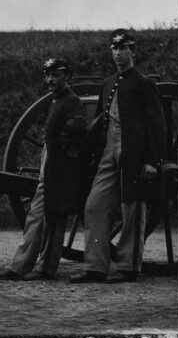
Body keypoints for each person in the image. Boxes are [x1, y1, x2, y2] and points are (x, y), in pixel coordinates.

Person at [72, 29, 168, 284]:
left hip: (134, 153)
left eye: (123, 48)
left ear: (132, 51)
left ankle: (128, 267)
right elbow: (99, 124)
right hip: (108, 152)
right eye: (114, 49)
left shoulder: (143, 84)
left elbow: (157, 126)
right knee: (94, 206)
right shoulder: (107, 83)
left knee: (133, 211)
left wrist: (152, 161)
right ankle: (95, 266)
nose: (118, 53)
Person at [0, 57, 90, 281]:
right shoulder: (58, 100)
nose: (50, 79)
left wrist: (59, 144)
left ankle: (42, 268)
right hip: (51, 162)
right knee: (38, 216)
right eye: (48, 75)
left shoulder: (71, 100)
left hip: (59, 164)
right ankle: (23, 266)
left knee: (51, 216)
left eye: (55, 75)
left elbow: (78, 124)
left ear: (67, 77)